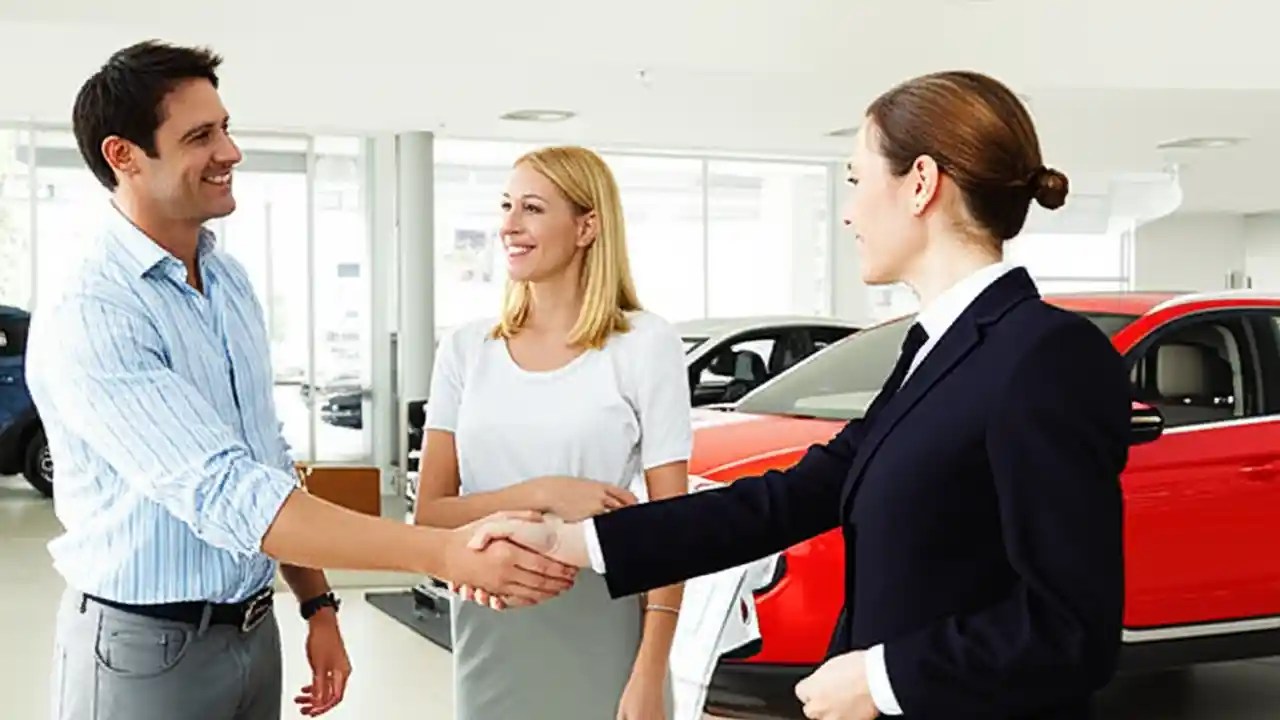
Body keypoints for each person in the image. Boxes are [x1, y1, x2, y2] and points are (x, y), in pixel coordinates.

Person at [466, 70, 1132, 720]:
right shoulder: (932, 348)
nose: (847, 213)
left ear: (920, 184)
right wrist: (574, 542)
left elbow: (1071, 627)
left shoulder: (1045, 356)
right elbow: (789, 499)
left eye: (856, 180)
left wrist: (883, 677)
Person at [28, 40, 575, 720]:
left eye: (225, 127)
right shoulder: (94, 309)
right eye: (200, 135)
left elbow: (265, 458)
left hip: (255, 633)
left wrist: (317, 605)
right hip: (144, 653)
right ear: (124, 156)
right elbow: (229, 492)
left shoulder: (225, 279)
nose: (230, 152)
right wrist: (443, 552)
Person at [412, 144, 693, 720]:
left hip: (604, 615)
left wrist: (649, 673)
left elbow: (675, 531)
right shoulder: (468, 349)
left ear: (587, 226)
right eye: (506, 205)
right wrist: (542, 493)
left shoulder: (645, 343)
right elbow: (432, 514)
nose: (509, 225)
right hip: (491, 614)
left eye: (533, 208)